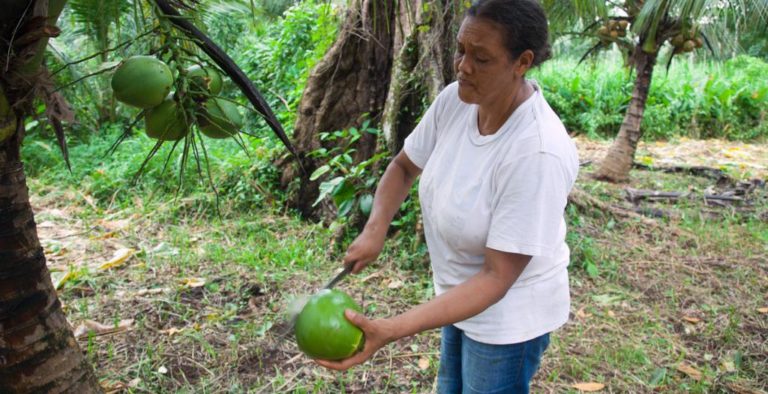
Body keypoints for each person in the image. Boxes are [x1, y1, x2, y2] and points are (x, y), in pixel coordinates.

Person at [315, 0, 579, 392]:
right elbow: (404, 167)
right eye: (461, 50)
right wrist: (375, 229)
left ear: (521, 62)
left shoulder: (536, 151)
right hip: (457, 299)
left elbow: (495, 278)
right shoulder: (457, 100)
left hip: (509, 317)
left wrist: (390, 329)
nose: (463, 66)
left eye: (482, 58)